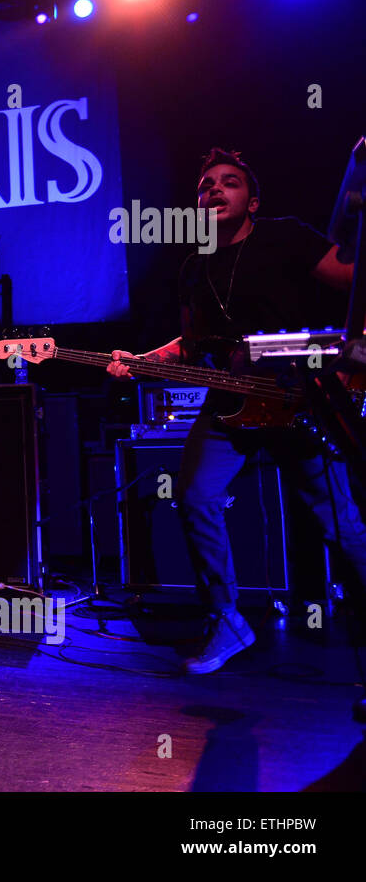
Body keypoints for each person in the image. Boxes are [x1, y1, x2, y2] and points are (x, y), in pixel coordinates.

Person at [108, 147, 366, 673]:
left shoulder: (285, 236)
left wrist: (351, 357)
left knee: (338, 523)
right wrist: (140, 362)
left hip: (299, 397)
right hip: (228, 404)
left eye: (229, 182)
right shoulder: (193, 266)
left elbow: (350, 278)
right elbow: (190, 341)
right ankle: (227, 618)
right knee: (195, 496)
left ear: (252, 200)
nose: (214, 190)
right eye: (205, 185)